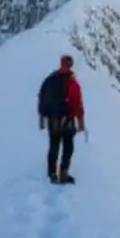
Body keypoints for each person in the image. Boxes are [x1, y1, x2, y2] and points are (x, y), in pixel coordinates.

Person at [38, 54, 84, 184]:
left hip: (53, 121)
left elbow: (42, 99)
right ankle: (63, 173)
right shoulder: (72, 83)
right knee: (68, 148)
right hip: (67, 121)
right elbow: (77, 103)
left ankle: (52, 174)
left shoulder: (49, 80)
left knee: (54, 146)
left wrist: (42, 117)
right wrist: (80, 122)